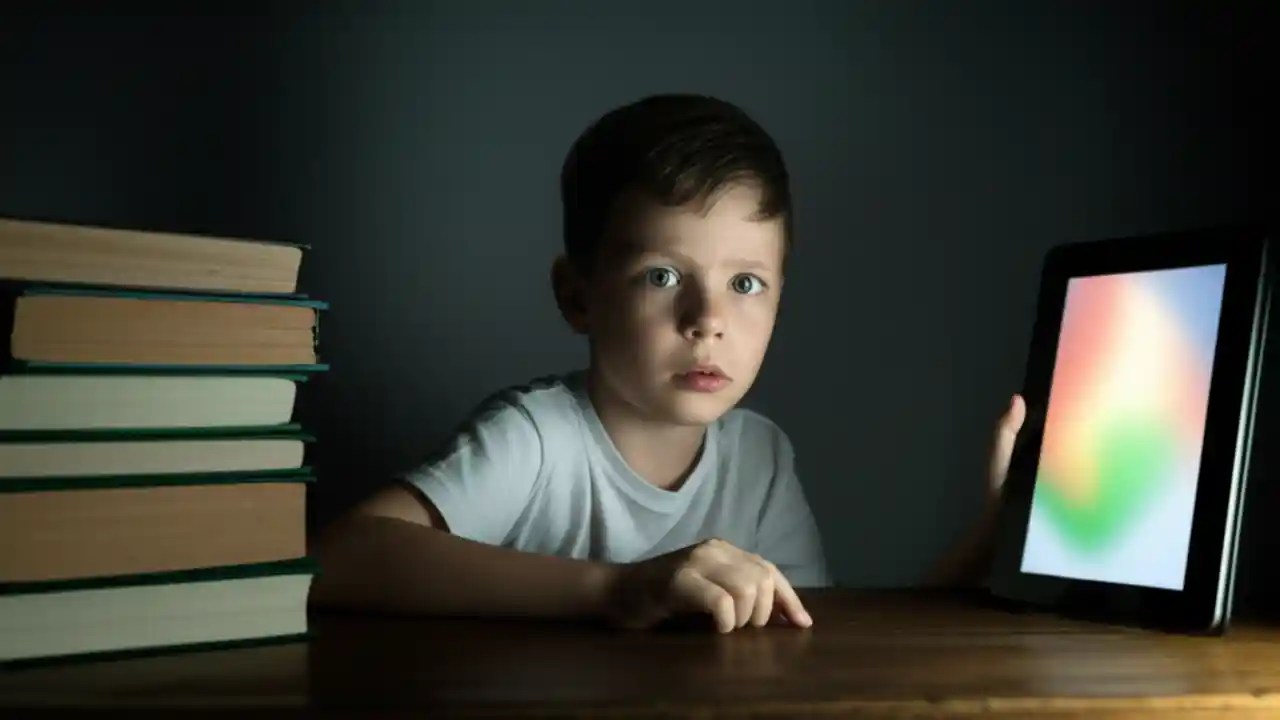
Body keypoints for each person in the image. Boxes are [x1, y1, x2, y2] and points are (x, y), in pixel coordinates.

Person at [310, 93, 1026, 633]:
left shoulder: (759, 457)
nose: (708, 320)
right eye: (661, 276)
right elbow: (335, 559)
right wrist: (619, 590)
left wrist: (990, 537)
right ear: (577, 296)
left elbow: (820, 639)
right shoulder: (536, 438)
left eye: (746, 284)